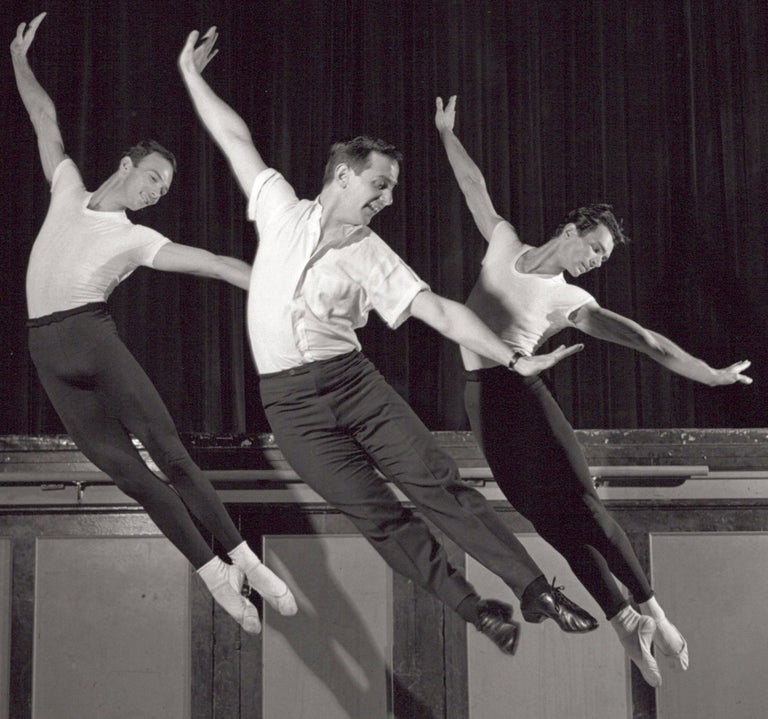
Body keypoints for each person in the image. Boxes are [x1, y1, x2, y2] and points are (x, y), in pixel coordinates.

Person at [177, 27, 603, 657]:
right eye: (380, 184)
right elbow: (235, 138)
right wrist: (191, 76)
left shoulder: (372, 253)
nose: (389, 198)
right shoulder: (280, 209)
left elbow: (441, 312)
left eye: (394, 188)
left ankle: (536, 589)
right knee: (376, 513)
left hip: (352, 384)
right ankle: (476, 608)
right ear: (343, 176)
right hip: (290, 407)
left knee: (438, 483)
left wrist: (514, 357)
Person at [435, 94, 754, 683]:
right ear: (570, 231)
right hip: (481, 400)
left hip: (524, 398)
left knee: (584, 507)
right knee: (550, 522)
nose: (597, 263)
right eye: (596, 249)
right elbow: (473, 187)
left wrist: (711, 374)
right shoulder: (504, 244)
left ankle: (657, 616)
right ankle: (624, 621)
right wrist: (446, 132)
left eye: (604, 258)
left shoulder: (571, 299)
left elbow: (646, 341)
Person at [11, 12, 298, 635]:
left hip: (90, 337)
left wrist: (285, 287)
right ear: (125, 165)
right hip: (45, 353)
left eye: (164, 189)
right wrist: (17, 59)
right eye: (152, 179)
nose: (156, 193)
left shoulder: (137, 238)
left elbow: (217, 264)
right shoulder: (67, 189)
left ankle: (250, 564)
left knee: (170, 454)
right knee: (128, 475)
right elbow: (44, 117)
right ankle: (216, 576)